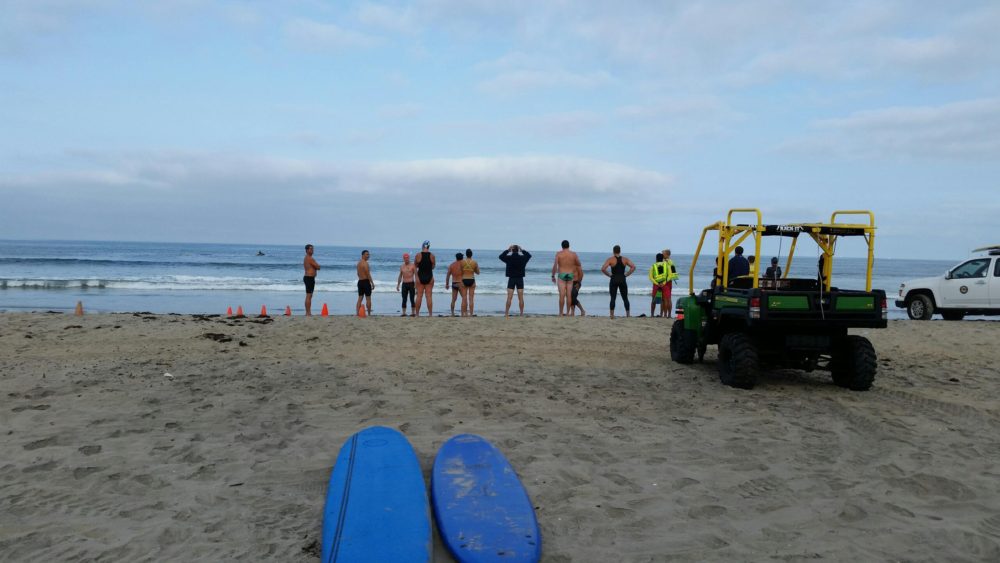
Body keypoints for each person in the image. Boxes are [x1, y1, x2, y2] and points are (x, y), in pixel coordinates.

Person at [601, 245, 636, 318]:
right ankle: (628, 315)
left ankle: (612, 315)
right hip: (622, 279)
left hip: (614, 279)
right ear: (620, 251)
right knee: (625, 298)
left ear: (613, 251)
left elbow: (603, 269)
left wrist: (610, 275)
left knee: (613, 298)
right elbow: (633, 267)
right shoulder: (625, 259)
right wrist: (627, 274)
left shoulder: (610, 259)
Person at [499, 244, 532, 318]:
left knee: (509, 297)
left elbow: (500, 257)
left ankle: (506, 313)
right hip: (520, 279)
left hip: (511, 279)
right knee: (521, 297)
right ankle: (521, 314)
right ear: (518, 250)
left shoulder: (509, 258)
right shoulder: (523, 258)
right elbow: (529, 255)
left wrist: (508, 250)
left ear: (512, 250)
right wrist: (522, 250)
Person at [551, 240, 582, 316]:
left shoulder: (559, 254)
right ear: (569, 246)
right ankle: (568, 313)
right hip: (570, 275)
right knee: (569, 295)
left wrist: (553, 275)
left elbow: (555, 266)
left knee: (561, 295)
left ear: (562, 246)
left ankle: (561, 313)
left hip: (562, 275)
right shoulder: (573, 254)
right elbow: (579, 263)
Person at [414, 241, 435, 316]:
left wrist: (416, 277)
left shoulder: (418, 255)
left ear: (423, 246)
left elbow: (415, 267)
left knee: (419, 296)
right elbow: (433, 267)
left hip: (420, 276)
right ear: (428, 247)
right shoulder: (432, 256)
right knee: (429, 296)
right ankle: (430, 314)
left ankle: (417, 314)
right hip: (429, 276)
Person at [661, 249, 680, 318]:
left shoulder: (667, 262)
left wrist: (664, 282)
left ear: (667, 254)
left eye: (663, 253)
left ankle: (666, 314)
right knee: (668, 298)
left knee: (666, 299)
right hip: (669, 281)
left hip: (666, 281)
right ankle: (668, 314)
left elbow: (669, 274)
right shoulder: (671, 262)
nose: (662, 254)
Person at [649, 253, 669, 317]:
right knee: (665, 299)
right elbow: (670, 275)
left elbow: (650, 277)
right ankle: (665, 315)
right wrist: (664, 282)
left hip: (656, 284)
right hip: (664, 284)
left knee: (653, 300)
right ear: (662, 258)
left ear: (656, 259)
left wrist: (657, 283)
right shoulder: (666, 265)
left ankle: (652, 315)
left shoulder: (653, 266)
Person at [461, 249, 480, 317]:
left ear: (466, 254)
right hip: (472, 280)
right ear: (471, 254)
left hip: (464, 280)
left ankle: (464, 314)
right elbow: (478, 272)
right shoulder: (474, 262)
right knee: (471, 298)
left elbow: (460, 272)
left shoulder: (462, 262)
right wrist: (472, 269)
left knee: (464, 298)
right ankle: (471, 314)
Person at [303, 244, 320, 316]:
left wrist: (315, 267)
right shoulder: (309, 258)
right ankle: (308, 312)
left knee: (309, 295)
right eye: (310, 249)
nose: (312, 250)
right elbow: (318, 267)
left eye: (312, 249)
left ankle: (308, 312)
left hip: (309, 278)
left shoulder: (307, 258)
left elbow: (316, 267)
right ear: (307, 250)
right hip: (309, 278)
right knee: (309, 295)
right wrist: (316, 267)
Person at [445, 252, 465, 316]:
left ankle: (452, 313)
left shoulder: (452, 265)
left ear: (456, 258)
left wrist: (447, 284)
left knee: (453, 299)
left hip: (454, 283)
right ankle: (463, 312)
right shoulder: (463, 264)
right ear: (462, 257)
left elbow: (448, 275)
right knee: (464, 298)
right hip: (461, 283)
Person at [356, 250, 374, 316]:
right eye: (366, 254)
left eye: (368, 254)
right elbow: (368, 274)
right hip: (366, 282)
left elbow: (358, 273)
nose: (368, 256)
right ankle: (369, 313)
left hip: (360, 282)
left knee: (360, 298)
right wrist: (372, 283)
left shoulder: (358, 263)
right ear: (362, 255)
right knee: (368, 298)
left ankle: (357, 313)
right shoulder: (366, 264)